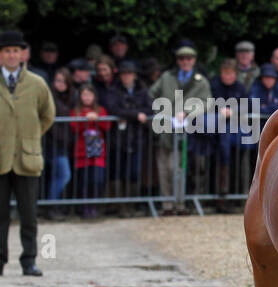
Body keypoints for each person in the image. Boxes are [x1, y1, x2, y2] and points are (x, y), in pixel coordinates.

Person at [0, 30, 55, 275]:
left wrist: (31, 137)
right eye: (6, 51)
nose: (11, 55)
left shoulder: (37, 83)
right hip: (1, 157)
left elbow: (47, 115)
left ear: (22, 54)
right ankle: (0, 260)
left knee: (28, 214)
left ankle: (29, 259)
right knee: (0, 215)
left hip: (27, 157)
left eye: (15, 51)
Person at [149, 42, 212, 215]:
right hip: (166, 128)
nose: (185, 61)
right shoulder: (167, 77)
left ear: (194, 60)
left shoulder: (201, 81)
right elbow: (151, 94)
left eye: (189, 58)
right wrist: (163, 112)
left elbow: (208, 103)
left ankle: (180, 203)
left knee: (179, 167)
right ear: (177, 60)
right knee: (164, 167)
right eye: (182, 58)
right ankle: (167, 204)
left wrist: (188, 112)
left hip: (187, 131)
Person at [104, 59, 152, 214]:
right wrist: (136, 114)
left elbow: (150, 109)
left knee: (133, 172)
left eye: (129, 74)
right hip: (118, 139)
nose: (127, 77)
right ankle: (117, 205)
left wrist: (132, 113)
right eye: (124, 74)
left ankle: (130, 204)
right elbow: (113, 108)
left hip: (136, 138)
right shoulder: (113, 90)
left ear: (135, 76)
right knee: (118, 171)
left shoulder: (142, 91)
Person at [208, 58, 252, 212]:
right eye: (225, 74)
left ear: (235, 74)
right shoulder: (214, 85)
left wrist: (233, 111)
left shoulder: (240, 87)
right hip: (216, 134)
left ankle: (233, 198)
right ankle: (216, 199)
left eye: (231, 74)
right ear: (221, 74)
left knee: (236, 166)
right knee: (216, 165)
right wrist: (218, 110)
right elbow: (207, 104)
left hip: (235, 135)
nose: (228, 77)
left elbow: (248, 106)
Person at [69, 84, 110, 219]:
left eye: (89, 95)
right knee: (83, 182)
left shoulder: (101, 110)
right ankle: (84, 208)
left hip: (98, 153)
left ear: (94, 96)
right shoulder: (76, 111)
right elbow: (74, 128)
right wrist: (86, 118)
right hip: (82, 153)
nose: (87, 98)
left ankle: (94, 206)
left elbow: (107, 126)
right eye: (84, 95)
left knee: (97, 180)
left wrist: (97, 119)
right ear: (80, 97)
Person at [45, 68, 76, 217]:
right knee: (64, 175)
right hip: (53, 143)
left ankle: (54, 206)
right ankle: (51, 206)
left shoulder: (71, 97)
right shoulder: (49, 97)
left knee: (58, 176)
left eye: (64, 81)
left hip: (65, 144)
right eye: (58, 80)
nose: (61, 84)